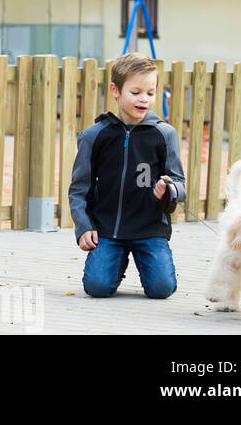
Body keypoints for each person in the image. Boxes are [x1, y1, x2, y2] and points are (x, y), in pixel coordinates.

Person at [69, 52, 185, 299]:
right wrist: (84, 226)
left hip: (150, 229)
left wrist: (169, 190)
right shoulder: (93, 136)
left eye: (150, 93)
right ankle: (114, 261)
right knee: (97, 287)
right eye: (136, 92)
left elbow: (180, 183)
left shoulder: (164, 134)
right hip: (108, 230)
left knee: (162, 289)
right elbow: (79, 189)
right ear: (115, 90)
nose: (144, 99)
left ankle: (144, 260)